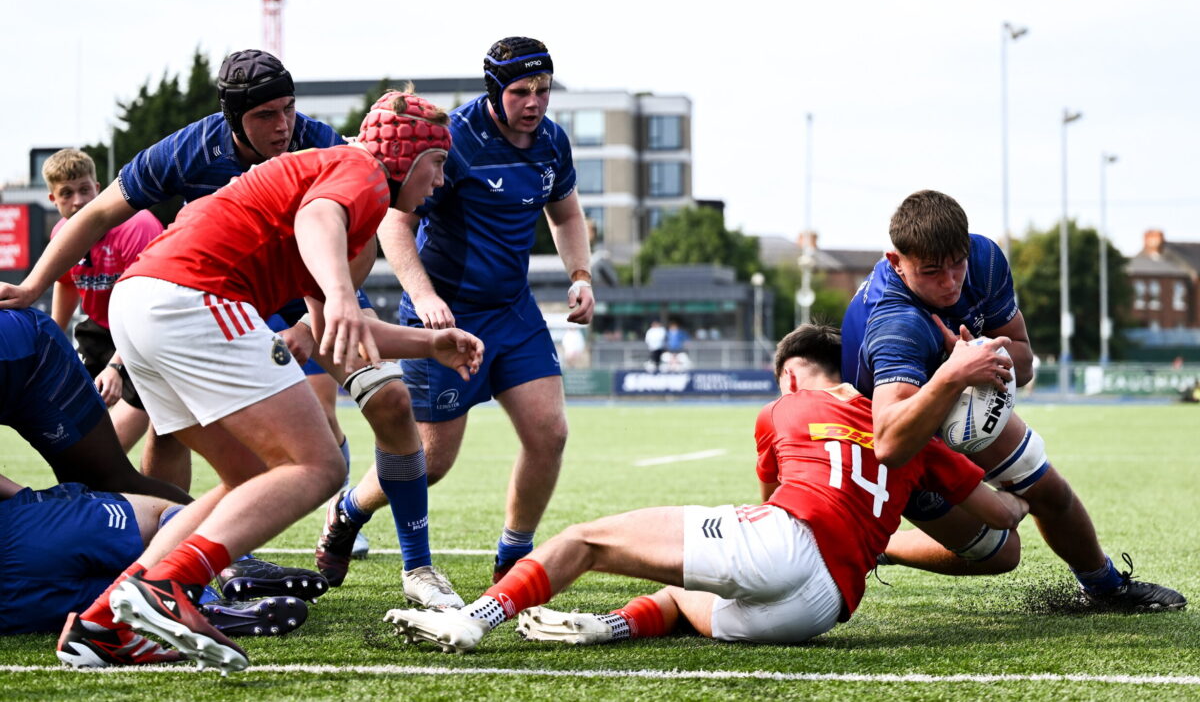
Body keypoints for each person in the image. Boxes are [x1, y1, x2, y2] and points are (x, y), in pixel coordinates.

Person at [55, 90, 485, 674]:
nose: (439, 184)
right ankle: (166, 588)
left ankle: (108, 620)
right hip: (194, 296)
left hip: (142, 300)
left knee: (250, 478)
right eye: (437, 165)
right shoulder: (360, 171)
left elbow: (330, 326)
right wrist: (339, 292)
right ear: (406, 155)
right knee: (318, 466)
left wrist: (429, 342)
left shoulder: (333, 181)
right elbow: (318, 221)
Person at [384, 324, 1027, 653]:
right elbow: (1000, 517)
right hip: (824, 607)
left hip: (788, 545)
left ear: (791, 375)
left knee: (585, 539)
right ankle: (603, 628)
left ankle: (474, 620)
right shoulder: (916, 438)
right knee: (680, 590)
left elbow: (776, 495)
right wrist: (1026, 491)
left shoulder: (782, 410)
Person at [842, 189, 1185, 609]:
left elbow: (1023, 363)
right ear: (896, 262)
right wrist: (954, 372)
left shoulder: (984, 261)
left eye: (956, 264)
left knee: (1050, 492)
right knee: (1002, 553)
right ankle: (886, 546)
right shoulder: (897, 323)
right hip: (898, 426)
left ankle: (1106, 587)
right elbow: (890, 443)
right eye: (932, 271)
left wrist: (984, 353)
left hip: (955, 389)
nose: (950, 282)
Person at [337, 37, 594, 587]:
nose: (535, 103)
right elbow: (393, 222)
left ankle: (511, 556)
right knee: (431, 461)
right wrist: (427, 297)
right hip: (445, 318)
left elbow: (567, 215)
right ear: (494, 91)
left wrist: (580, 276)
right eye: (521, 91)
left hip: (513, 312)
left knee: (548, 432)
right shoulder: (453, 140)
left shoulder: (552, 141)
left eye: (543, 90)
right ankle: (349, 511)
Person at [0, 472, 318, 651]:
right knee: (161, 514)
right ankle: (229, 566)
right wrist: (26, 498)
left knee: (128, 597)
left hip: (14, 608)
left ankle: (204, 608)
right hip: (21, 532)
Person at [42, 148, 165, 465]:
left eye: (85, 189)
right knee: (72, 435)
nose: (79, 201)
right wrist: (54, 337)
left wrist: (115, 367)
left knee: (108, 455)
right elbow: (66, 281)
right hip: (100, 328)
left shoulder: (137, 226)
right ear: (54, 200)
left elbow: (144, 307)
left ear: (98, 188)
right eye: (67, 193)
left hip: (151, 329)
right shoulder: (62, 233)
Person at [1, 307, 190, 506]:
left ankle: (209, 530)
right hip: (53, 343)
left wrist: (115, 366)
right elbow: (65, 284)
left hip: (34, 355)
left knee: (107, 482)